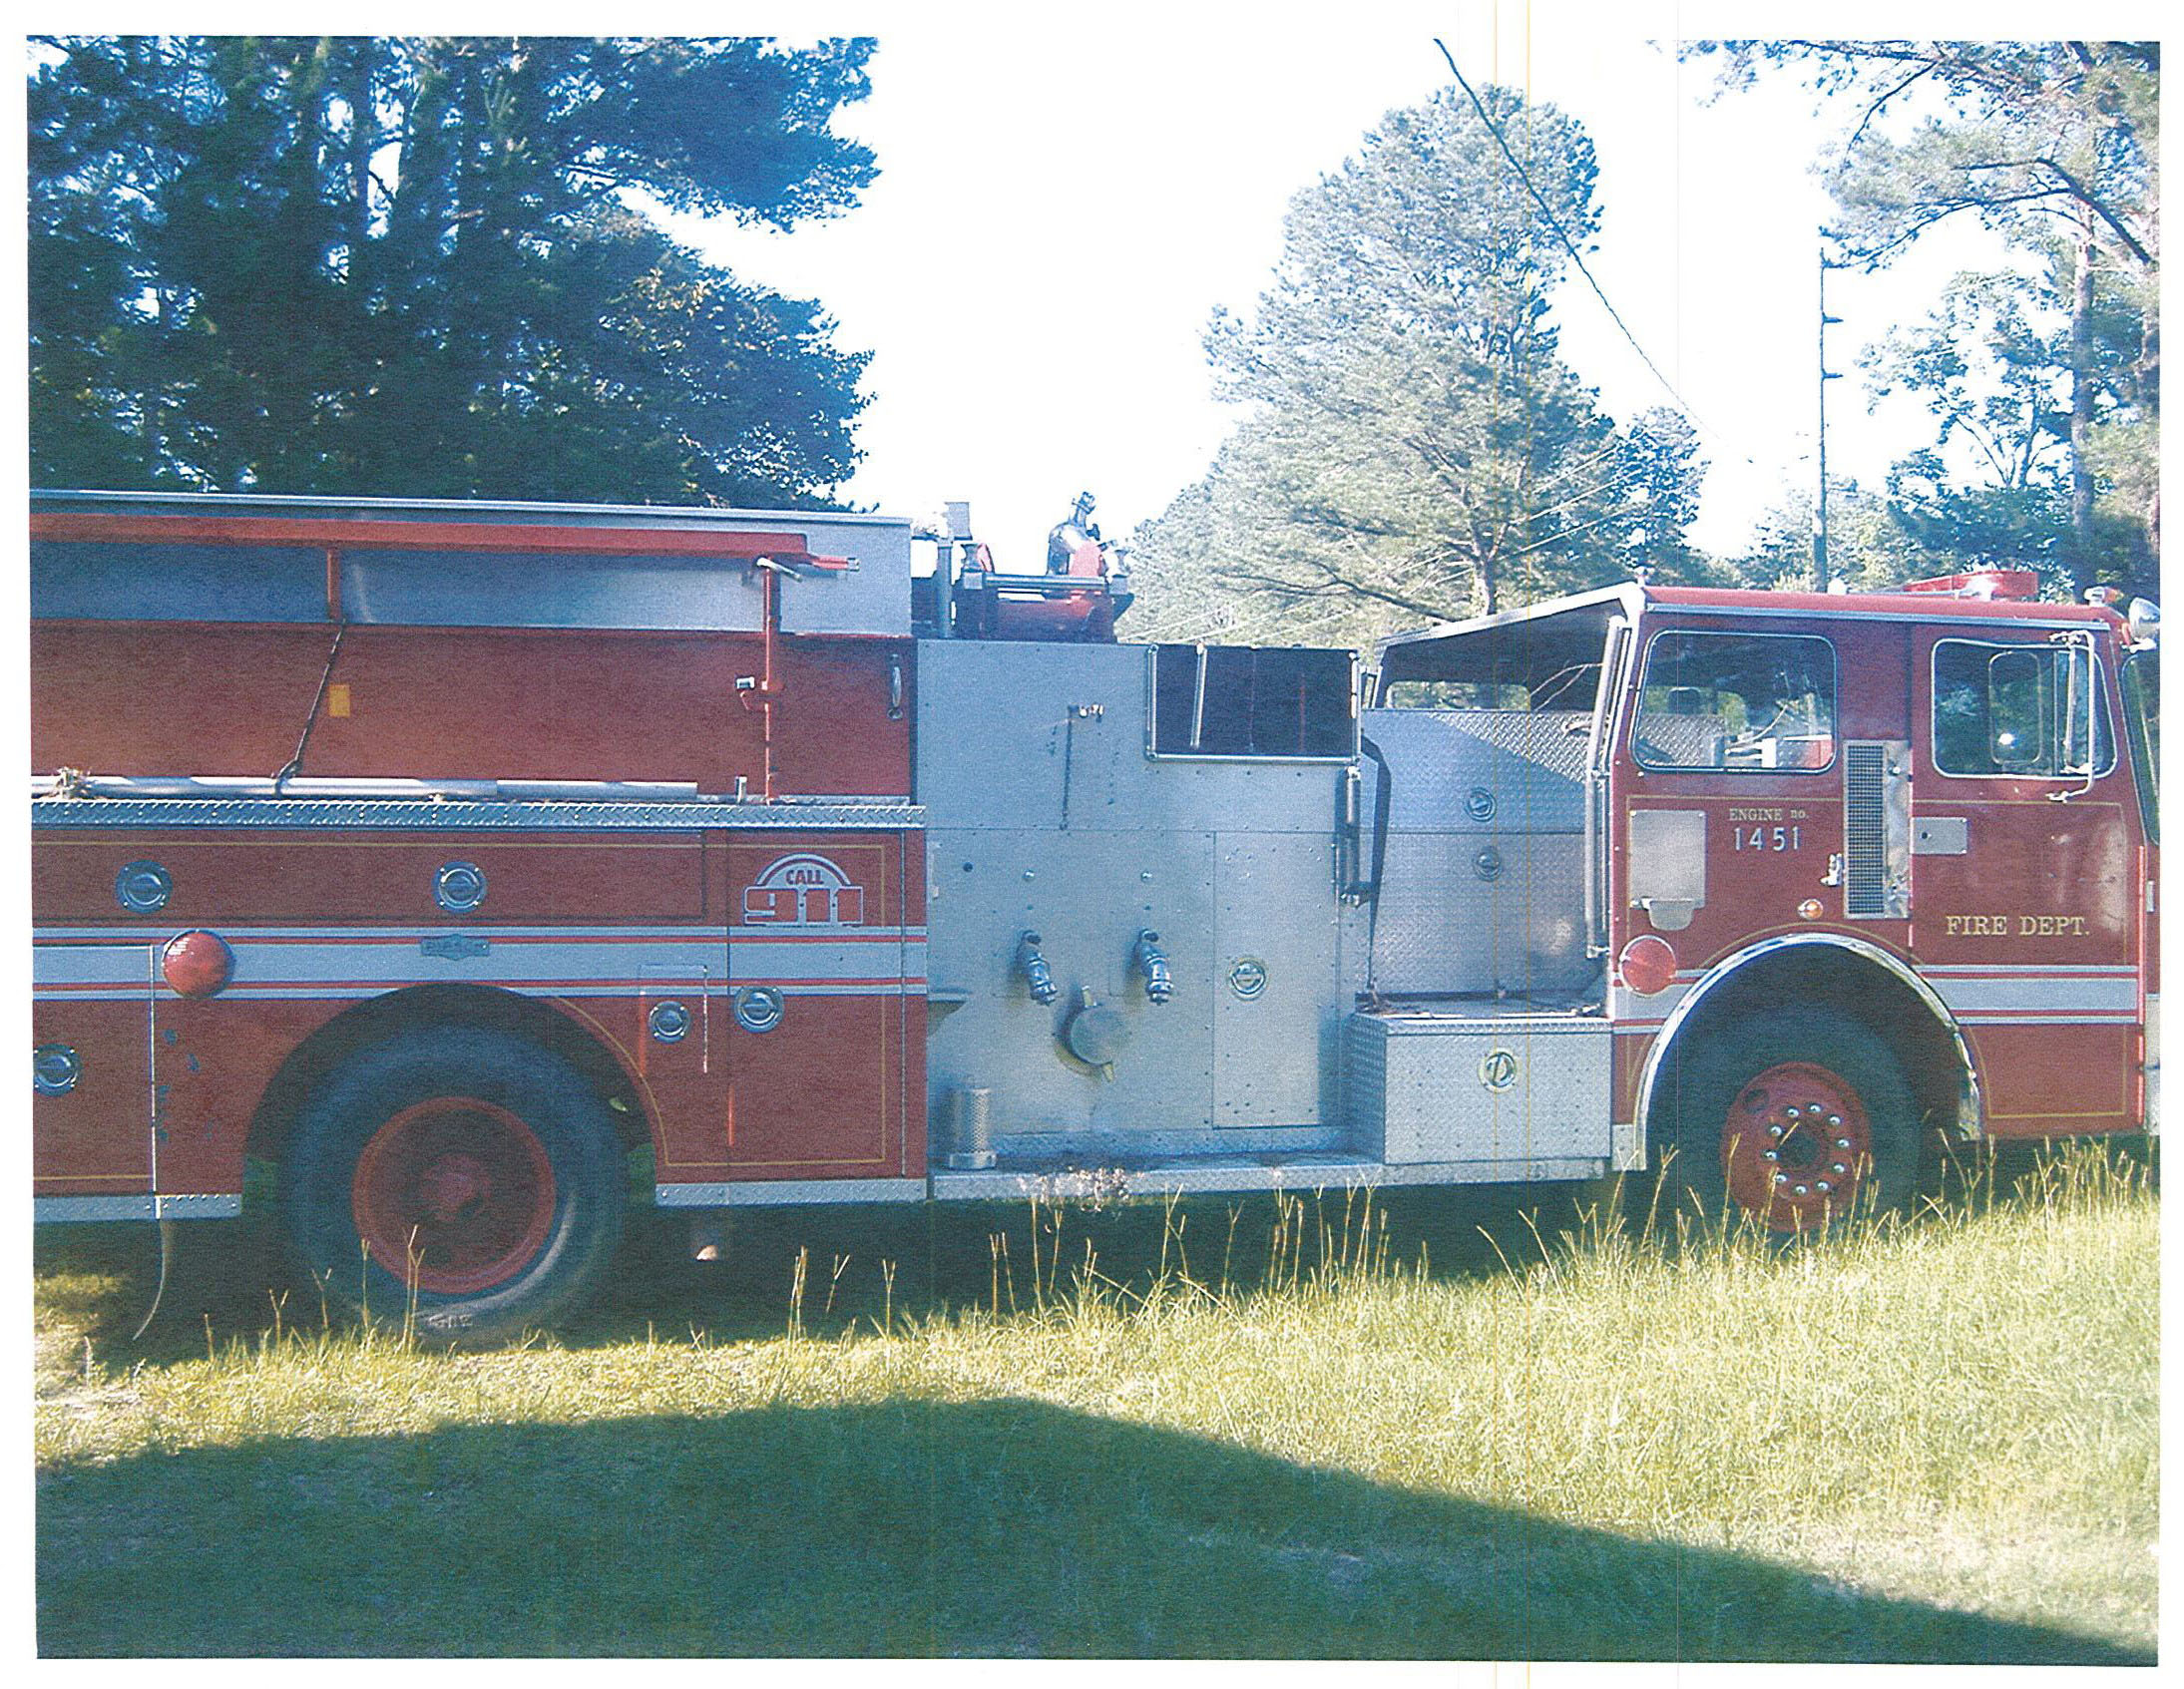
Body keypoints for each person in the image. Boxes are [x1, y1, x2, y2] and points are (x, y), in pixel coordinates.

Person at [1046, 491, 1102, 575]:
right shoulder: (1066, 530)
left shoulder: (1071, 530)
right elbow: (1087, 551)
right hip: (1058, 582)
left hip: (1061, 582)